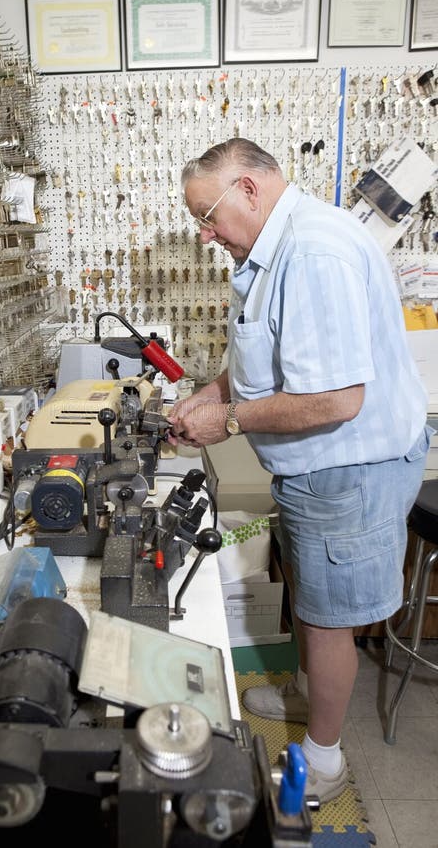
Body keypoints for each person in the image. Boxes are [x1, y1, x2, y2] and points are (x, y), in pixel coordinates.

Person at [167, 137, 432, 804]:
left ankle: (325, 756)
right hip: (316, 472)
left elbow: (335, 399)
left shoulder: (313, 252)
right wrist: (213, 392)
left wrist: (227, 422)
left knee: (326, 617)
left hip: (348, 471)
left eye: (207, 216)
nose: (204, 235)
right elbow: (267, 350)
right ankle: (305, 698)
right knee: (313, 603)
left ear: (249, 191)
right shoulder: (275, 247)